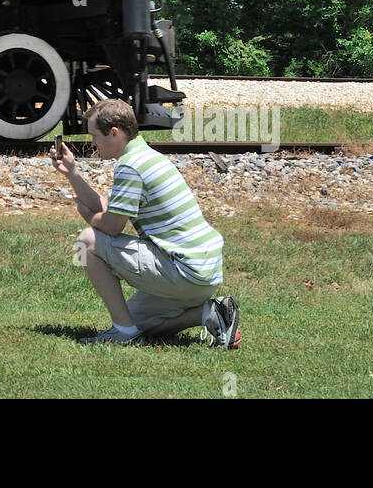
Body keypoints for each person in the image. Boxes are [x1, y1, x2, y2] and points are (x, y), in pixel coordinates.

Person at [51, 98, 240, 348]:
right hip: (203, 273)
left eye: (95, 136)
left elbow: (111, 226)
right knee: (136, 321)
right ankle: (210, 313)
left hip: (184, 271)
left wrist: (88, 216)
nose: (93, 144)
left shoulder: (130, 166)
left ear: (114, 132)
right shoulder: (144, 155)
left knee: (86, 241)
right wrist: (72, 173)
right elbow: (110, 210)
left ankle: (124, 334)